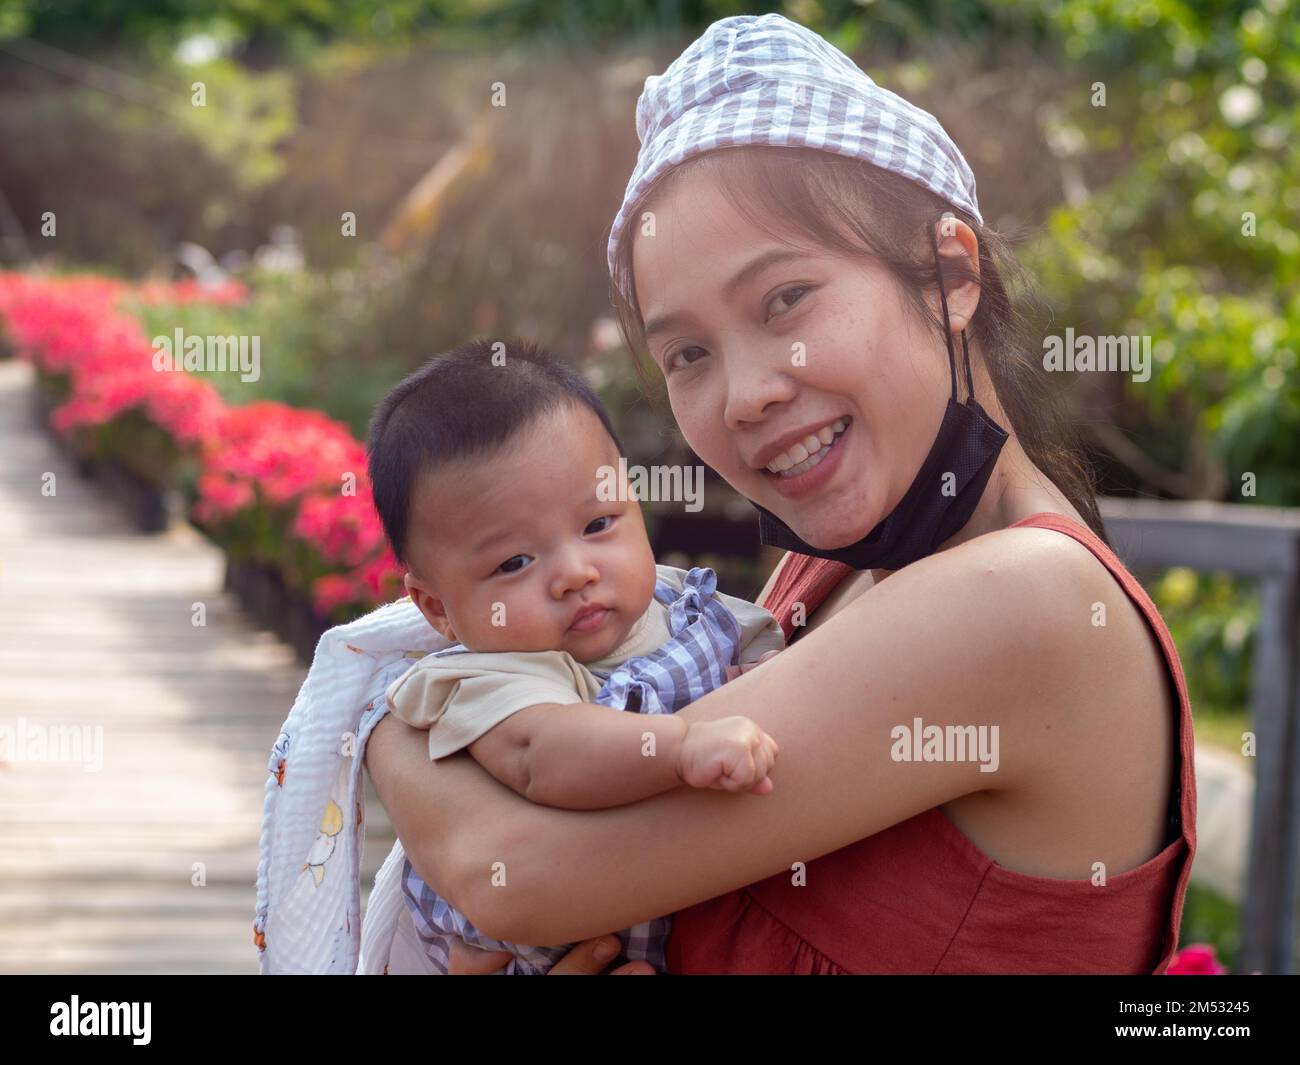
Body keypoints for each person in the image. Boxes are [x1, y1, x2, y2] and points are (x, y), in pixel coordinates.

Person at [363, 12, 1197, 974]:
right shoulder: (829, 570)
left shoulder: (1029, 599)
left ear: (950, 272)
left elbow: (519, 868)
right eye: (687, 352)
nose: (746, 391)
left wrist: (387, 724)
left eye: (786, 300)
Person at [366, 338, 785, 973]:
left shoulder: (685, 605)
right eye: (513, 563)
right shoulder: (484, 677)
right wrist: (679, 747)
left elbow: (770, 651)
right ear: (437, 609)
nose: (574, 573)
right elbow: (544, 754)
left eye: (597, 525)